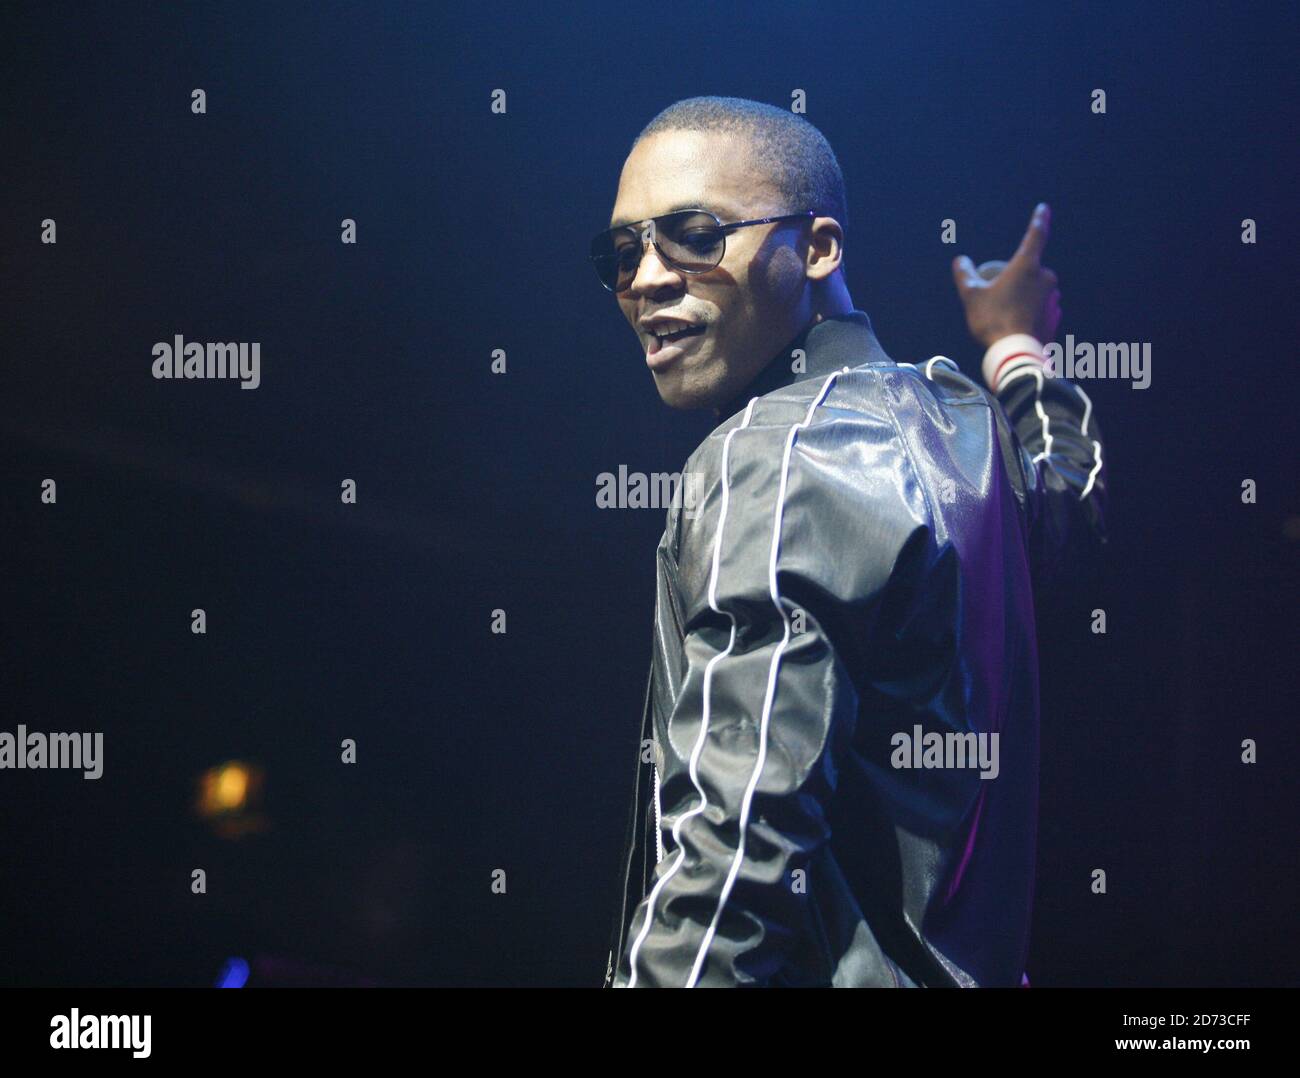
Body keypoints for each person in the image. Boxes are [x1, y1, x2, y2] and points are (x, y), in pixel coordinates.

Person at [590, 97, 1106, 988]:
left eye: (695, 235)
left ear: (818, 249)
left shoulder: (774, 453)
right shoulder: (968, 433)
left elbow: (734, 850)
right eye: (626, 250)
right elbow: (1073, 496)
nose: (647, 278)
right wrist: (1016, 343)